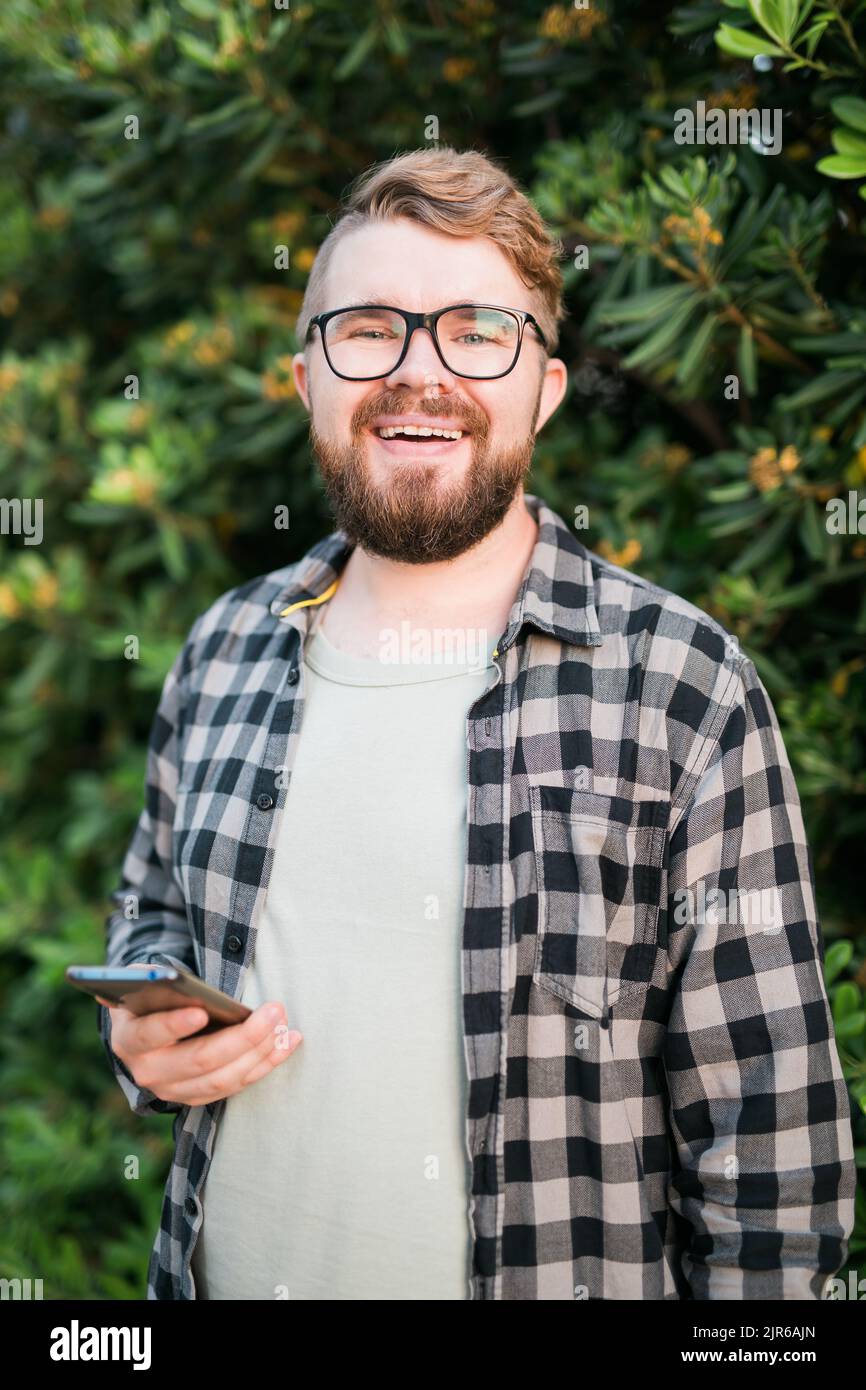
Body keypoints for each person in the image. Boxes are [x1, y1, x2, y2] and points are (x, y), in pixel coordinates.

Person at [98, 146, 856, 1301]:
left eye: (476, 332)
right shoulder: (223, 646)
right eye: (368, 329)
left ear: (542, 388)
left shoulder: (681, 687)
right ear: (304, 375)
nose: (419, 373)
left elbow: (774, 1169)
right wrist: (145, 1031)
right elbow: (151, 912)